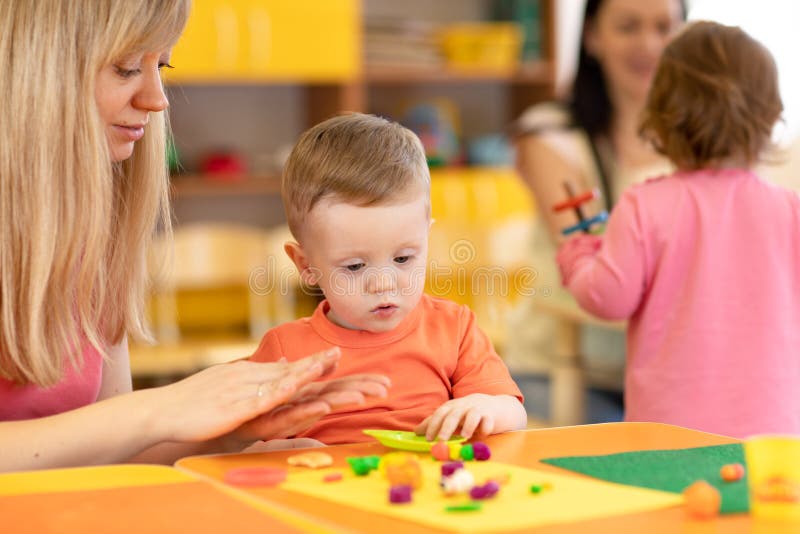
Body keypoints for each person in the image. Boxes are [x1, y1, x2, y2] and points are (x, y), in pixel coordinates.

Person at [0, 0, 390, 473]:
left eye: (160, 66)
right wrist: (162, 409)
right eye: (126, 69)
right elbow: (125, 423)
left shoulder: (89, 237)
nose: (157, 98)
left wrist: (232, 432)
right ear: (36, 70)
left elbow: (110, 450)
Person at [556, 21, 797, 438]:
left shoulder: (643, 203)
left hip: (669, 435)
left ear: (661, 116)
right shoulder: (790, 208)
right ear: (769, 115)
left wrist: (578, 256)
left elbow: (608, 298)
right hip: (775, 435)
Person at [249, 113, 527, 445]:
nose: (383, 283)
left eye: (403, 259)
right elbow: (241, 442)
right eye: (354, 267)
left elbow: (513, 413)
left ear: (426, 240)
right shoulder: (284, 350)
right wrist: (278, 448)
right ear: (305, 264)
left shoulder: (454, 329)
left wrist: (484, 407)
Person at [506, 0, 685, 423]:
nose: (649, 44)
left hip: (666, 373)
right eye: (627, 27)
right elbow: (589, 262)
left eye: (664, 27)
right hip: (561, 370)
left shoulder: (705, 141)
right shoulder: (549, 135)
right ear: (592, 37)